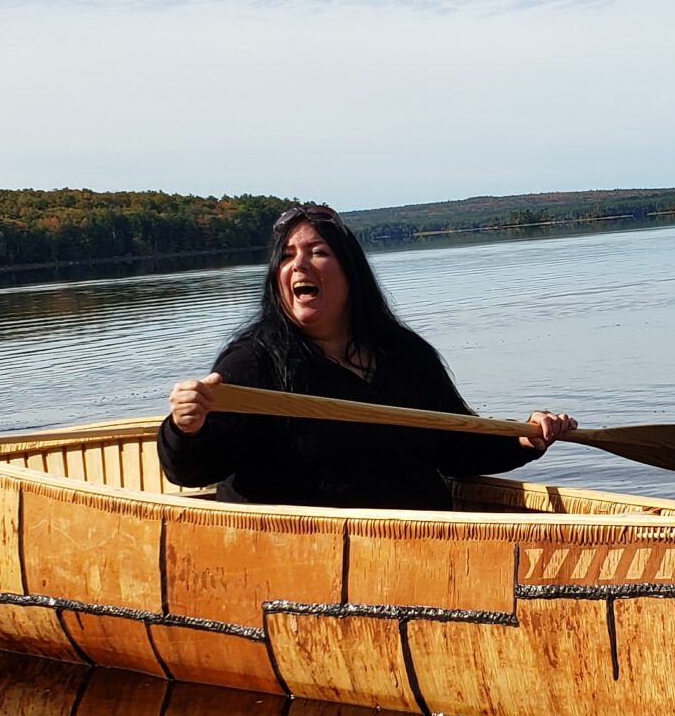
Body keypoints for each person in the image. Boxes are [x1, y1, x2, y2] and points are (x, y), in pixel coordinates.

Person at [161, 202, 574, 508]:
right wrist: (185, 427)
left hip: (419, 547)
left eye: (318, 251)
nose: (299, 265)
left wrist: (521, 438)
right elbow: (191, 470)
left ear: (351, 272)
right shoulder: (253, 362)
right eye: (287, 256)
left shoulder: (404, 355)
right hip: (301, 560)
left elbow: (456, 448)